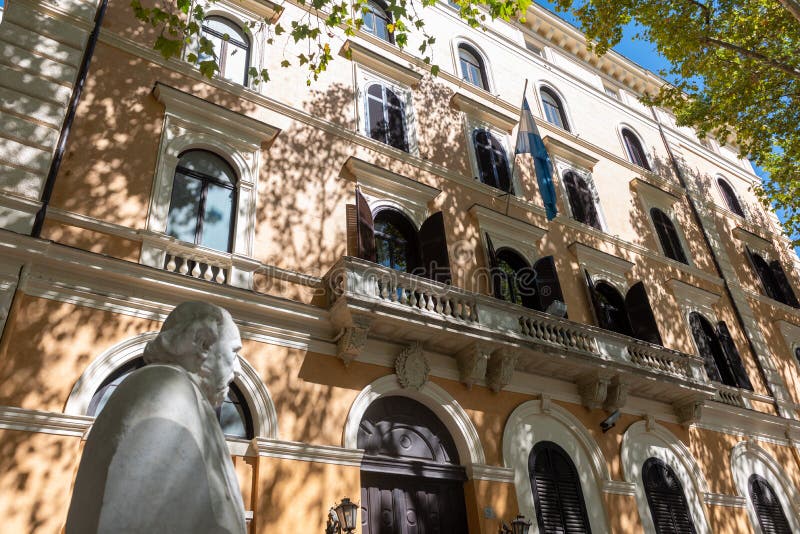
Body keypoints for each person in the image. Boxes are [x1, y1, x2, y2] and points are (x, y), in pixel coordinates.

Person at [66, 302, 247, 534]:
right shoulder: (165, 390)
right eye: (233, 351)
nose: (238, 368)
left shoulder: (183, 394)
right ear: (203, 343)